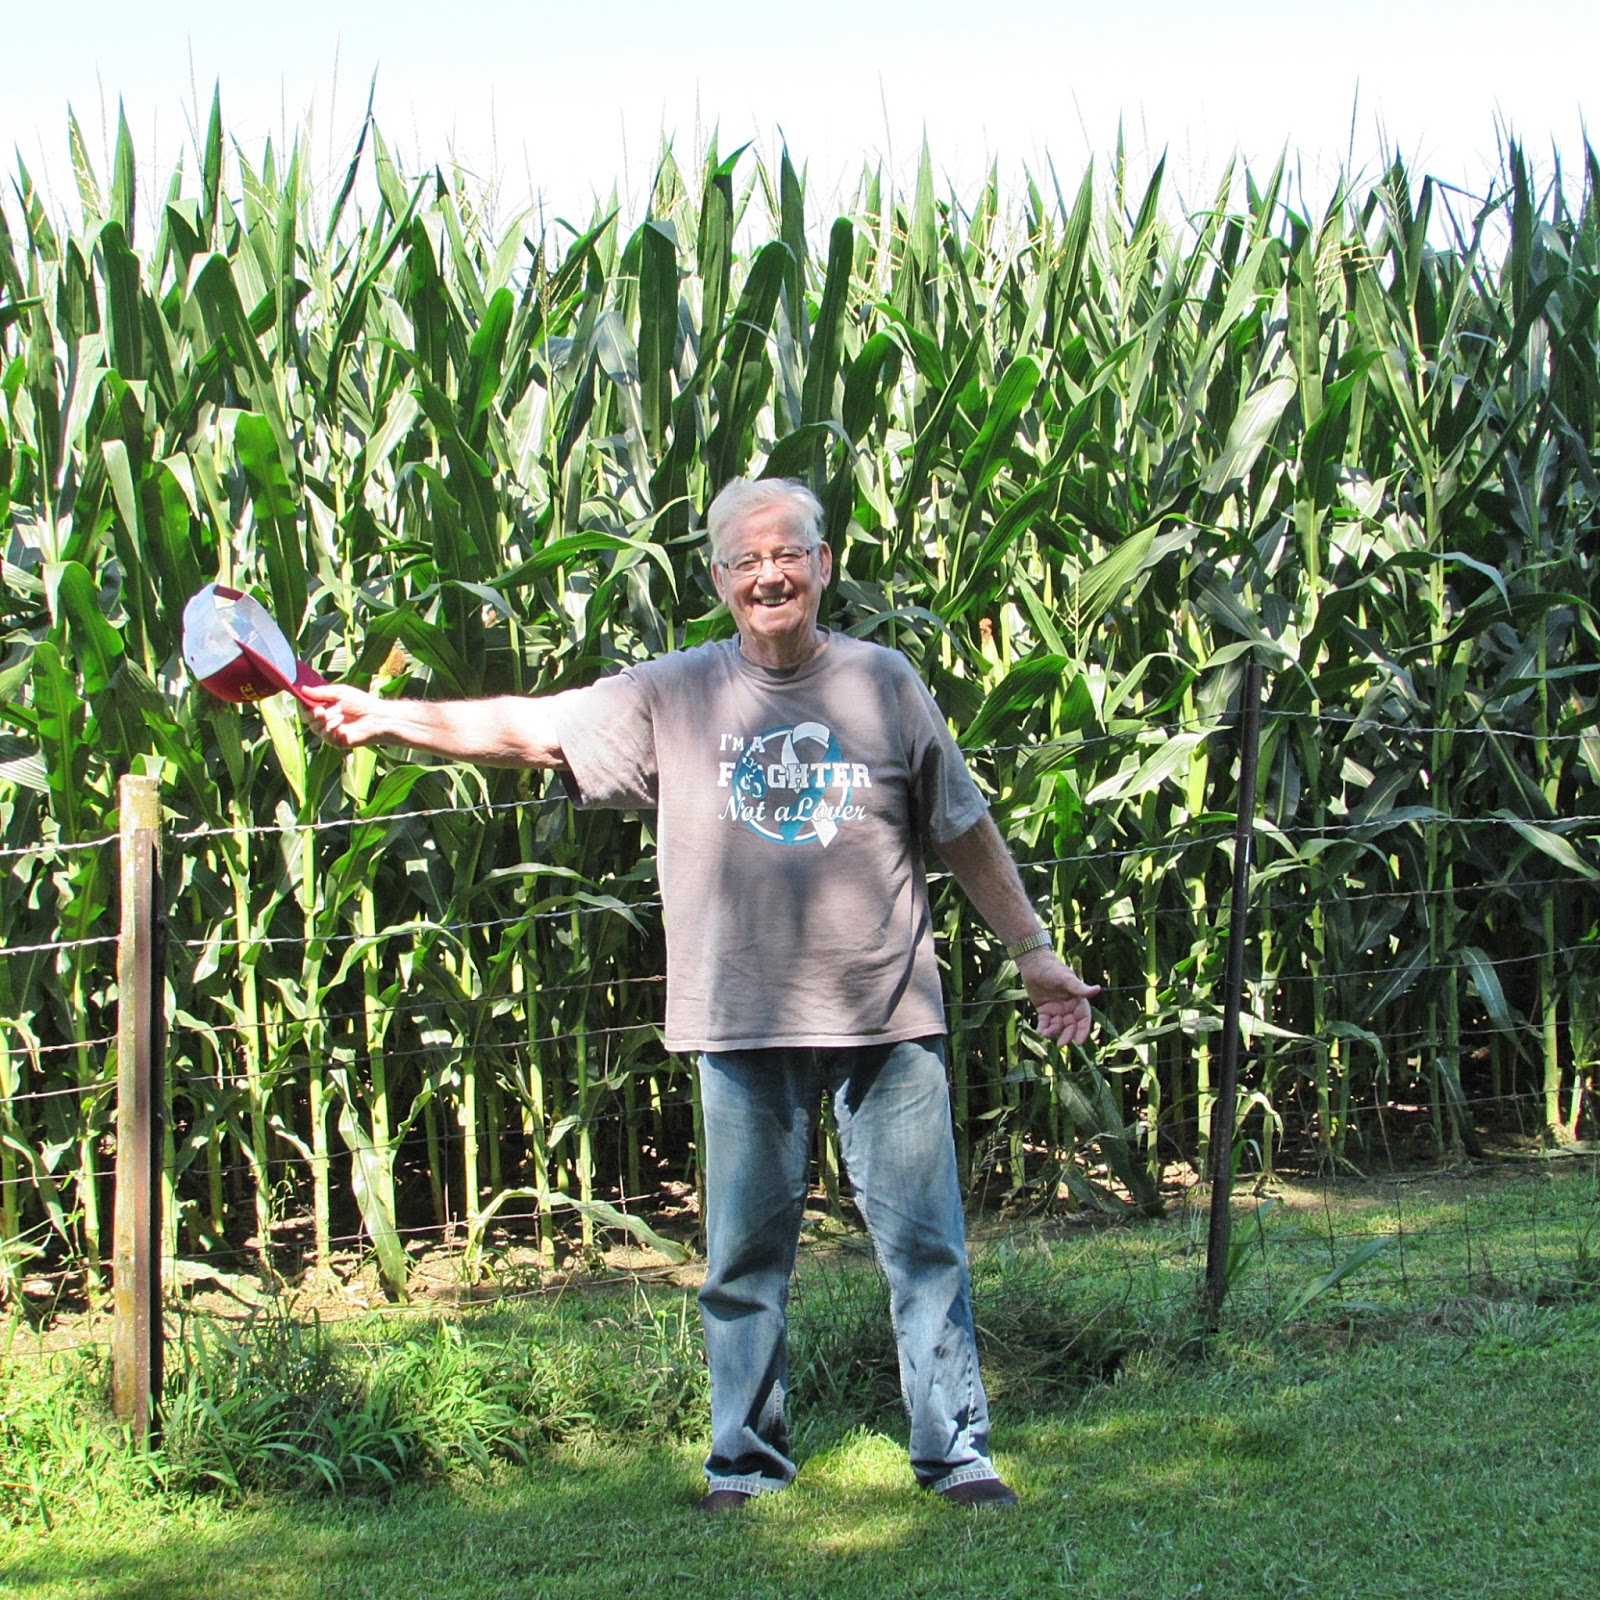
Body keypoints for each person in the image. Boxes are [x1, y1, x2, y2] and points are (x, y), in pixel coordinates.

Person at [302, 477, 1098, 1512]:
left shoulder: (884, 682)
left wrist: (1033, 948)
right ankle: (745, 1463)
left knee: (926, 1249)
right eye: (745, 558)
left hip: (887, 1014)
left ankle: (956, 1452)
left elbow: (961, 824)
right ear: (718, 578)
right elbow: (530, 725)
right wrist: (386, 718)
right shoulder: (671, 693)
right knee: (743, 1259)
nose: (770, 573)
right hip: (741, 1019)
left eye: (789, 553)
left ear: (822, 564)